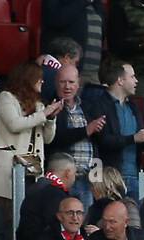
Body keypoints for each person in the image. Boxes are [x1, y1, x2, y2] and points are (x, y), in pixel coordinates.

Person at [0, 63, 60, 240]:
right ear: (27, 78)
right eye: (39, 79)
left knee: (20, 227)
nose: (42, 83)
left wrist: (50, 118)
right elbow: (15, 124)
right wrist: (44, 114)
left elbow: (47, 138)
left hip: (31, 174)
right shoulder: (6, 98)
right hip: (4, 173)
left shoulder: (38, 103)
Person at [83, 60, 144, 201]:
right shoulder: (99, 105)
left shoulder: (133, 107)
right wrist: (134, 138)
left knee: (136, 219)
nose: (136, 81)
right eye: (132, 77)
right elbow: (102, 140)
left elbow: (139, 138)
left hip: (136, 174)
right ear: (120, 80)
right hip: (111, 176)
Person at [49, 63, 102, 210]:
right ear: (55, 83)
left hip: (87, 178)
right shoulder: (50, 106)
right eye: (63, 82)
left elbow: (95, 144)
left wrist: (97, 177)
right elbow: (55, 138)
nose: (67, 86)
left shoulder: (87, 107)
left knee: (85, 223)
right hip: (62, 179)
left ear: (78, 84)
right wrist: (86, 130)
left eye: (71, 82)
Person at [17, 153, 78, 240]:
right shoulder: (55, 194)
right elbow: (59, 229)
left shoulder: (38, 187)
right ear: (68, 173)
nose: (75, 178)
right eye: (75, 174)